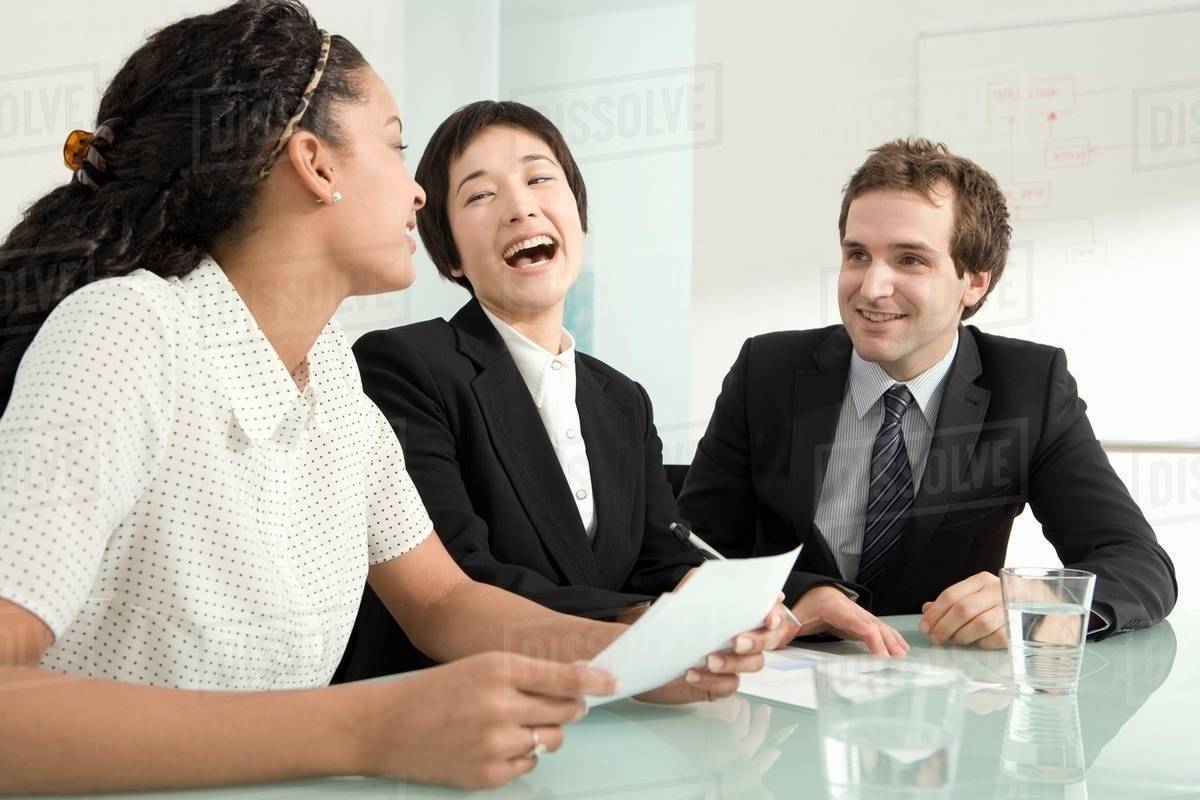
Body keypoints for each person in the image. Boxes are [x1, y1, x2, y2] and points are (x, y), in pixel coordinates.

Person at [0, 4, 777, 793]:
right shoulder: (130, 332)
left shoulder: (334, 379)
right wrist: (372, 728)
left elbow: (441, 600)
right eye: (397, 145)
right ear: (316, 165)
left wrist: (635, 657)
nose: (417, 194)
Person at [337, 100, 796, 680]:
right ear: (450, 255)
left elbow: (661, 558)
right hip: (454, 703)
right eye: (481, 195)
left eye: (539, 179)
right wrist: (641, 624)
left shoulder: (624, 400)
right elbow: (459, 576)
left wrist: (721, 602)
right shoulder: (404, 365)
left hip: (609, 703)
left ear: (578, 216)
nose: (521, 207)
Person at [677, 138, 1177, 652]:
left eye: (910, 260)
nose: (871, 287)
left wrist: (1031, 603)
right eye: (857, 255)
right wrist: (803, 594)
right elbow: (687, 552)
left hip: (944, 679)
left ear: (974, 282)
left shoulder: (1029, 386)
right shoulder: (767, 370)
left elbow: (1139, 565)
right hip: (783, 679)